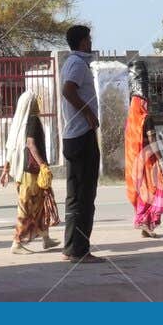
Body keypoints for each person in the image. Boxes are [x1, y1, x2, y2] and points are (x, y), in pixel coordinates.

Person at [58, 24, 103, 263]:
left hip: (74, 136)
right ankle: (79, 250)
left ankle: (71, 247)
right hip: (81, 135)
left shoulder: (73, 62)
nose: (91, 42)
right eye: (89, 39)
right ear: (84, 42)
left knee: (76, 196)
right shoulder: (76, 63)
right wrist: (88, 113)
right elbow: (68, 90)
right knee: (84, 196)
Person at [0, 89, 57, 253]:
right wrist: (43, 165)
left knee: (41, 206)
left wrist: (5, 170)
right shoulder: (32, 120)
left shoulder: (20, 123)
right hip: (31, 172)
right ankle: (16, 243)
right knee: (27, 207)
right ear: (31, 104)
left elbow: (11, 148)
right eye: (36, 101)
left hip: (22, 171)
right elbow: (30, 144)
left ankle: (46, 238)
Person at [124, 59, 163, 237]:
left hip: (134, 162)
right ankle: (145, 223)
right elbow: (152, 139)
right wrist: (161, 160)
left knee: (142, 190)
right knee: (151, 191)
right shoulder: (145, 118)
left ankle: (146, 226)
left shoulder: (130, 120)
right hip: (148, 161)